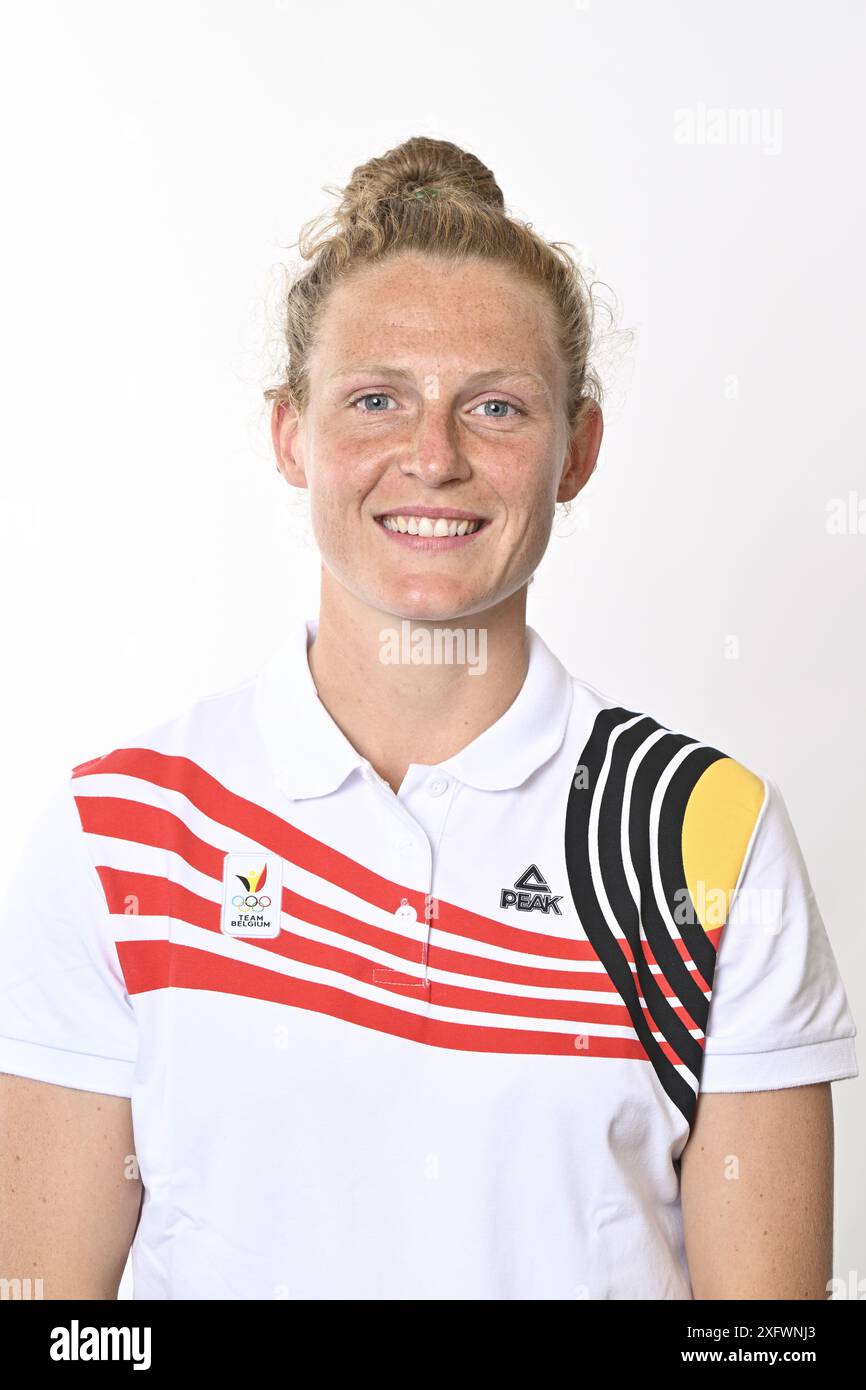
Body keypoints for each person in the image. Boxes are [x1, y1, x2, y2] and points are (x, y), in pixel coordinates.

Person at [0, 136, 858, 1301]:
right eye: (375, 399)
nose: (433, 456)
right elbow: (57, 1322)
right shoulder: (124, 832)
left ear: (576, 450)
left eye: (494, 406)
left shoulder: (703, 834)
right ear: (290, 435)